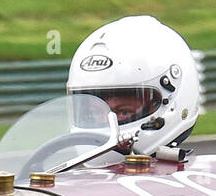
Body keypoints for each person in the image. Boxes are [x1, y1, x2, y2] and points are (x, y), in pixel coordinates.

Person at [65, 15, 201, 160]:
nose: (105, 121)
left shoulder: (203, 177)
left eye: (124, 111)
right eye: (94, 113)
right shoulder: (70, 178)